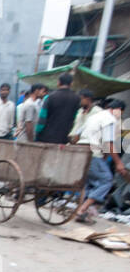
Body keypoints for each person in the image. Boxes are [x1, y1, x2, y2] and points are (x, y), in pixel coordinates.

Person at [70, 93, 128, 223]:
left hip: (82, 150)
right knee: (106, 180)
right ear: (118, 110)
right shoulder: (110, 119)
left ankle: (83, 210)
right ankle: (81, 210)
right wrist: (118, 163)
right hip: (93, 151)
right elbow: (109, 143)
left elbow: (77, 135)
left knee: (90, 182)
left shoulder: (95, 116)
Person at [36, 72, 78, 144]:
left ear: (58, 82)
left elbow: (42, 118)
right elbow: (74, 118)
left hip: (46, 138)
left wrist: (37, 133)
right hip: (63, 139)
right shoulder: (77, 99)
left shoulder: (50, 97)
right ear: (71, 84)